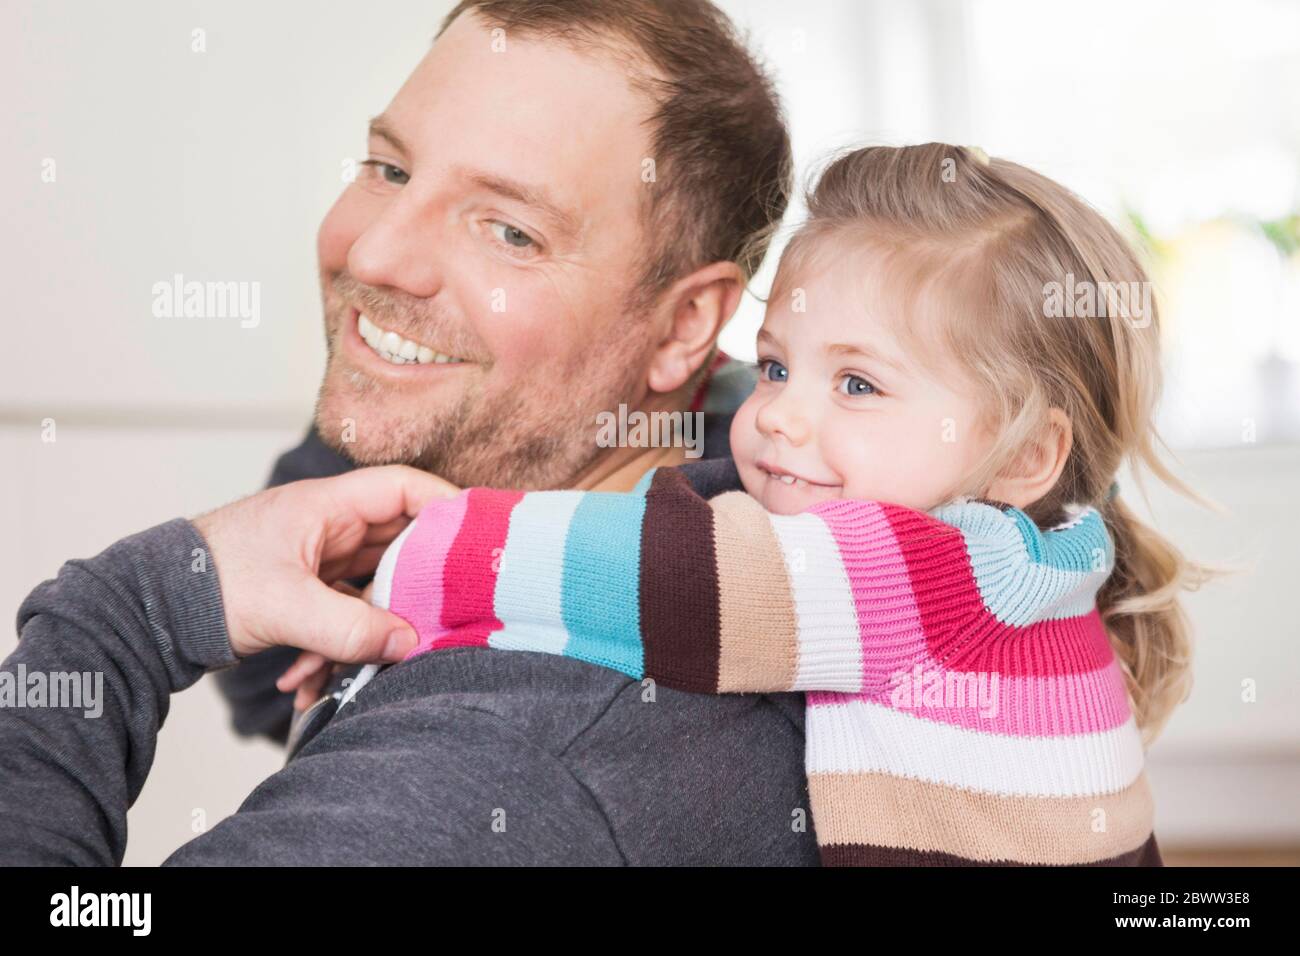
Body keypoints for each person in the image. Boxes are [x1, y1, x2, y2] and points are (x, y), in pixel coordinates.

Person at [1, 0, 820, 865]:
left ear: (686, 322)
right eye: (389, 169)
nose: (375, 257)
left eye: (510, 231)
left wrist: (133, 613)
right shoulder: (732, 502)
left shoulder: (497, 764)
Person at [298, 145, 1214, 865]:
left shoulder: (923, 570)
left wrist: (402, 571)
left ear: (1026, 456)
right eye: (775, 365)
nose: (776, 414)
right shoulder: (1046, 555)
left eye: (857, 384)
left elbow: (650, 576)